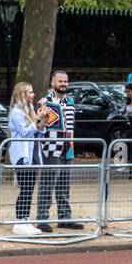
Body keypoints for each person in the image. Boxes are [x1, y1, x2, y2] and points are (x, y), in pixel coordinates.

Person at [36, 70, 82, 229]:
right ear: (52, 83)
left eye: (66, 81)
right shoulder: (45, 101)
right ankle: (42, 218)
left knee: (64, 183)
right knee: (48, 183)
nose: (64, 84)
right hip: (51, 147)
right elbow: (37, 122)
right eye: (60, 81)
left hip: (68, 147)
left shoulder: (70, 101)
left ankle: (65, 217)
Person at [8, 81, 49, 236]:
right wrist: (37, 120)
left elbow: (38, 132)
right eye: (30, 92)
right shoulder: (16, 113)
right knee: (25, 188)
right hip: (21, 156)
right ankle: (19, 222)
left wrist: (43, 121)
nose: (33, 95)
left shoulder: (30, 109)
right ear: (22, 94)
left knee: (30, 189)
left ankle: (25, 220)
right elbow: (25, 132)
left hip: (32, 154)